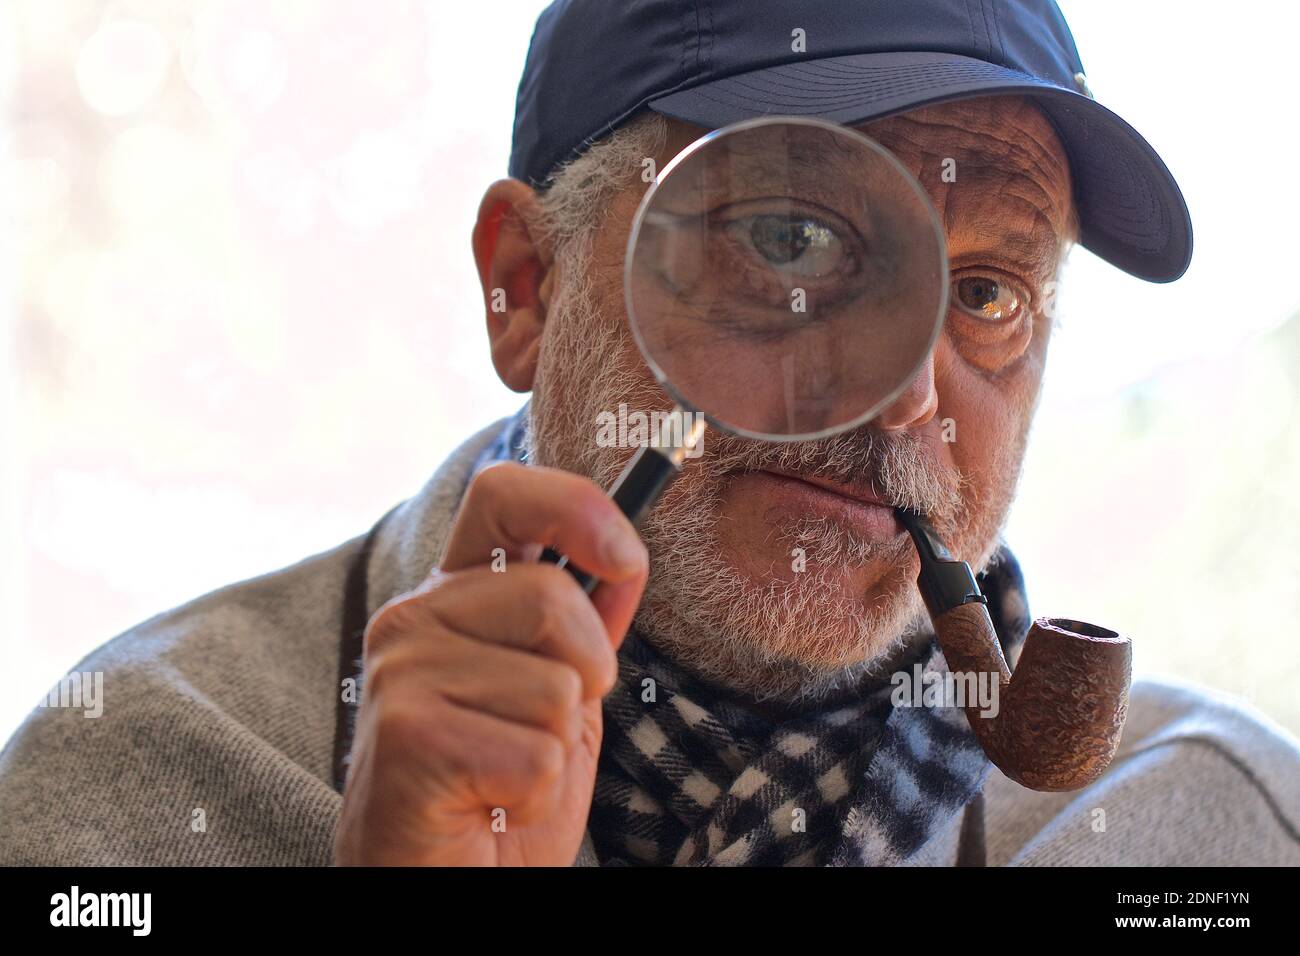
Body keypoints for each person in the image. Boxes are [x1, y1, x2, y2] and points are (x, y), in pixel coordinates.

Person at [2, 0, 1297, 867]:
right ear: (527, 286)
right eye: (792, 239)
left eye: (986, 295)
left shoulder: (1218, 832)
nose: (905, 401)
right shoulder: (134, 788)